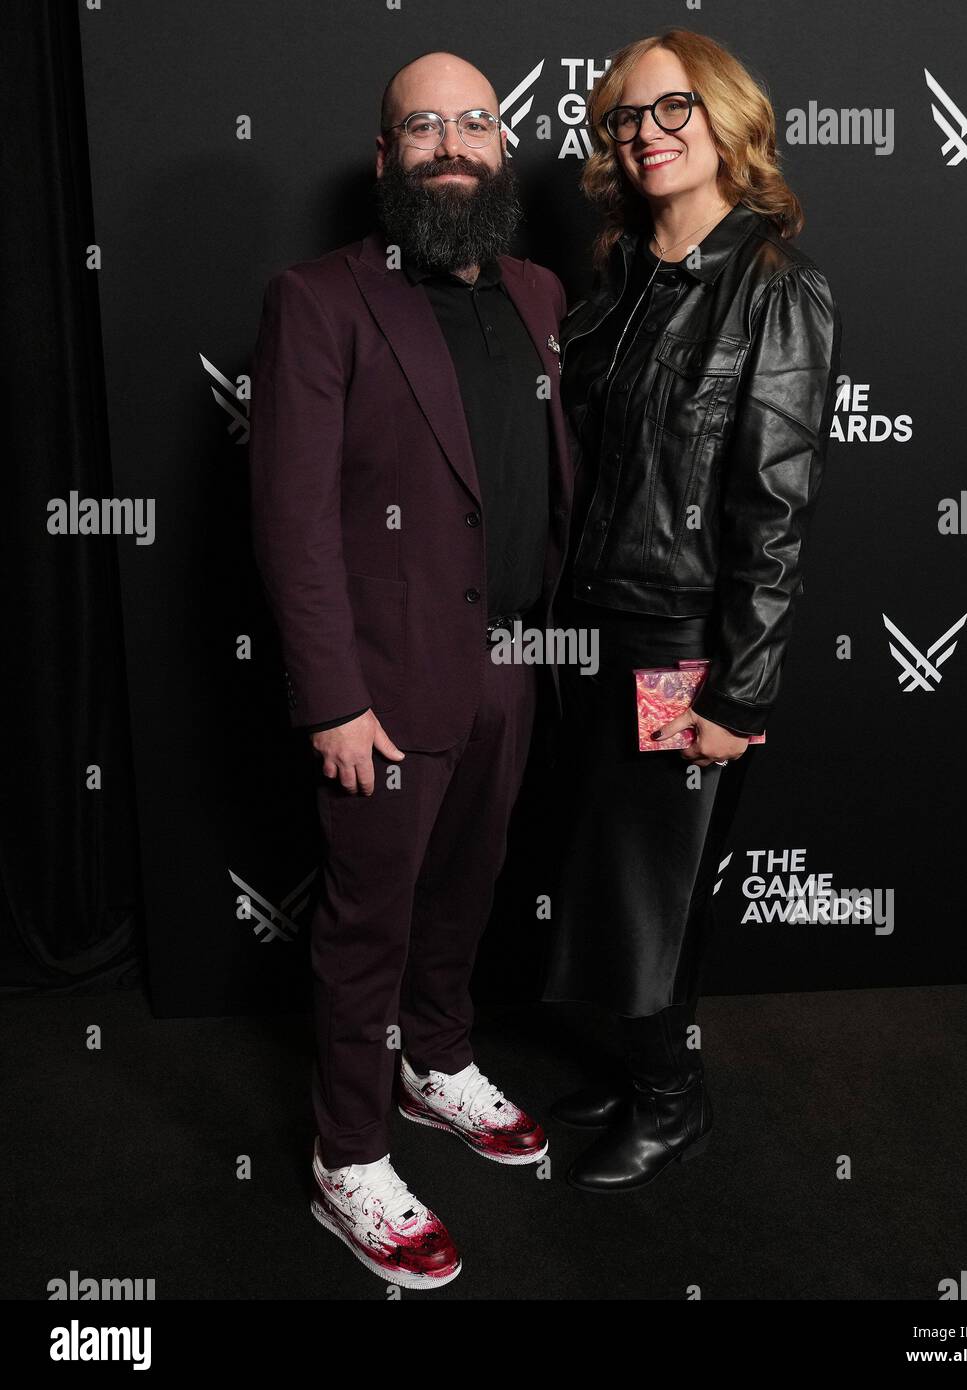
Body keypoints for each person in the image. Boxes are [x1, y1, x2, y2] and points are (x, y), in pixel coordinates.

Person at [248, 50, 573, 1288]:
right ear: (387, 160)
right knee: (367, 922)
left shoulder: (540, 291)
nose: (450, 141)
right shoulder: (319, 297)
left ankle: (436, 1062)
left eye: (473, 122)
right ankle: (348, 1152)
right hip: (379, 685)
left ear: (501, 146)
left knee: (468, 890)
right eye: (421, 126)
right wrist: (331, 693)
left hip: (513, 660)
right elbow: (290, 517)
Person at [543, 28, 842, 1192]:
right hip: (593, 624)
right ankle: (632, 1069)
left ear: (723, 121)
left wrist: (740, 686)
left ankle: (671, 1106)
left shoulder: (772, 284)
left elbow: (774, 504)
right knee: (611, 871)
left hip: (681, 643)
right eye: (624, 115)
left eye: (671, 109)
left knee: (655, 885)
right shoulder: (617, 281)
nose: (646, 133)